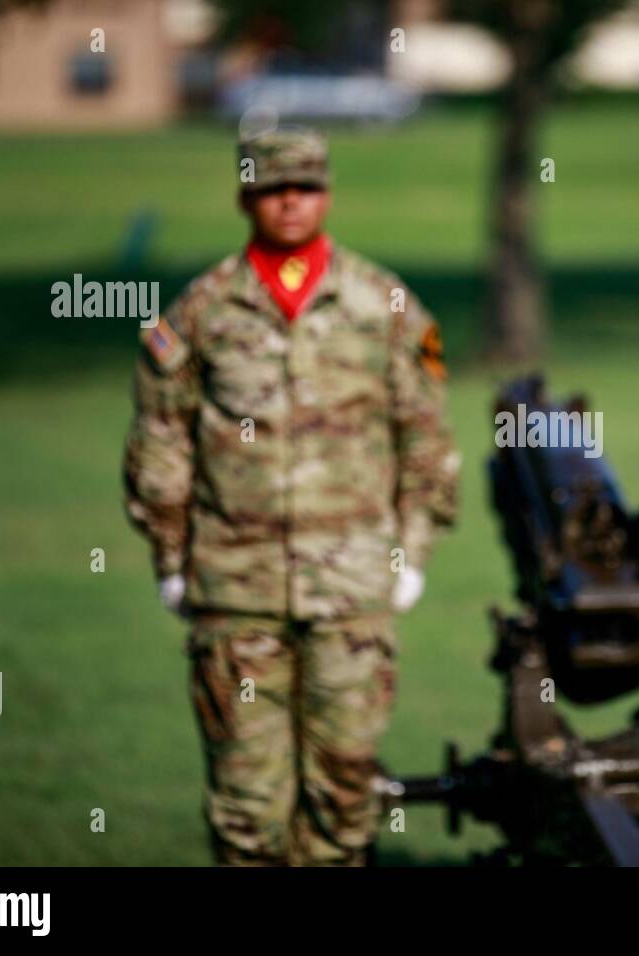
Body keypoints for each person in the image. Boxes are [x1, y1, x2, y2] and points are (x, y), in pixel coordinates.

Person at [123, 127, 459, 865]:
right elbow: (160, 441)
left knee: (345, 790)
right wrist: (171, 555)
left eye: (305, 186)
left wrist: (413, 550)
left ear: (327, 194)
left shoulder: (384, 303)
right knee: (246, 801)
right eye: (274, 188)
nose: (291, 202)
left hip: (353, 589)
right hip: (235, 590)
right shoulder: (201, 312)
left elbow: (425, 438)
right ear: (246, 196)